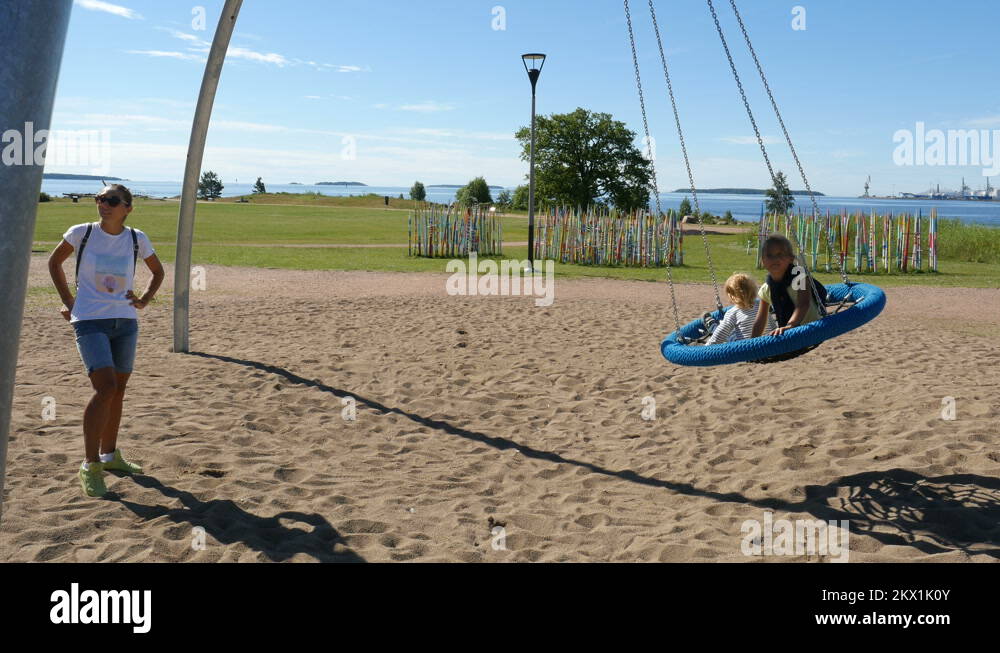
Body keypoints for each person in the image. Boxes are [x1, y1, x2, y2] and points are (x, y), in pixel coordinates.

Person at [48, 184, 164, 497]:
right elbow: (54, 263)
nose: (104, 205)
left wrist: (144, 300)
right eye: (100, 199)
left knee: (119, 390)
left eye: (112, 201)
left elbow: (158, 271)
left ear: (128, 208)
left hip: (125, 322)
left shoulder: (136, 238)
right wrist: (70, 301)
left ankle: (110, 457)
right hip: (89, 320)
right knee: (106, 388)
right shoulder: (81, 233)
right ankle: (90, 465)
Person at [752, 234, 826, 338]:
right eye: (769, 255)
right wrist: (752, 341)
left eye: (780, 254)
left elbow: (803, 304)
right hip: (789, 334)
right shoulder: (766, 288)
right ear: (763, 260)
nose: (774, 259)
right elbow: (760, 319)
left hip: (811, 329)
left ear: (791, 258)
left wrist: (790, 326)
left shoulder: (799, 277)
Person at [704, 273, 775, 345]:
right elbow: (772, 325)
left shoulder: (732, 312)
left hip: (744, 349)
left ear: (731, 296)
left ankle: (712, 326)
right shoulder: (762, 305)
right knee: (733, 329)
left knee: (730, 334)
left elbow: (720, 335)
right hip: (767, 345)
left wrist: (706, 349)